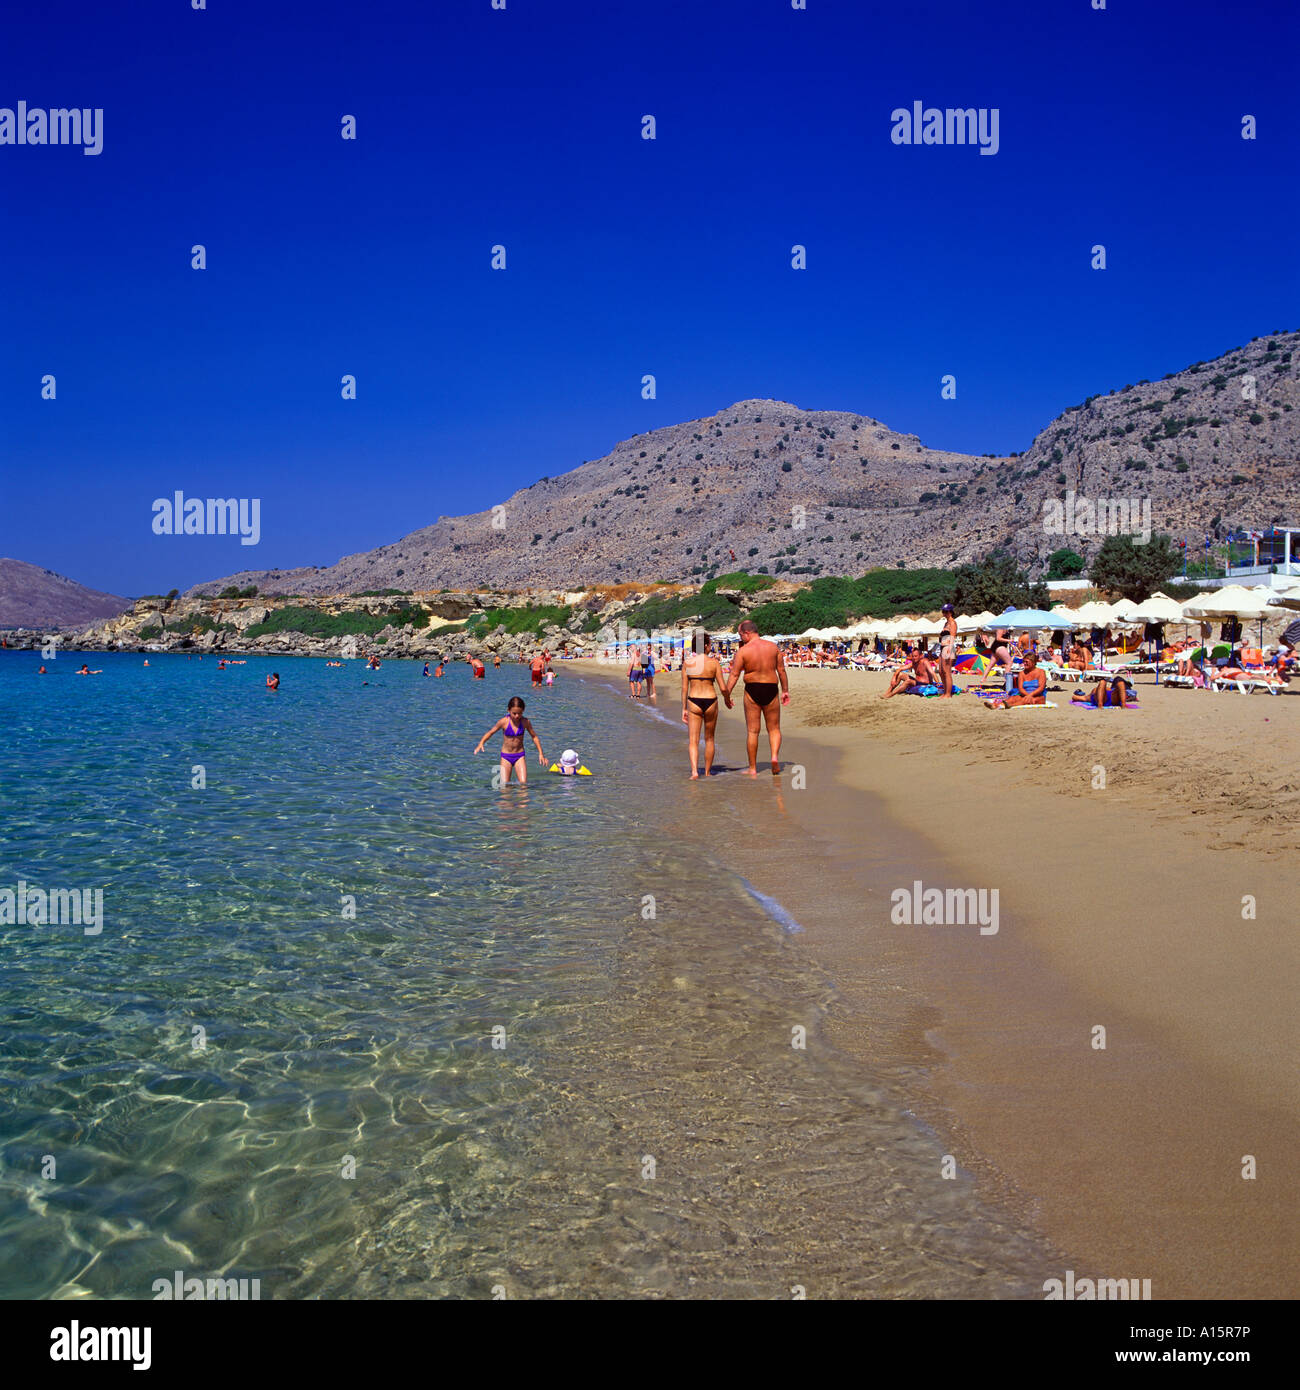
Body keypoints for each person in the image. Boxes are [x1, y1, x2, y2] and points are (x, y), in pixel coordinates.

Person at [721, 619, 788, 775]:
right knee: (774, 729)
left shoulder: (743, 651)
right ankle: (774, 757)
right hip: (771, 688)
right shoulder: (773, 647)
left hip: (752, 689)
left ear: (747, 633)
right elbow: (781, 671)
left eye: (740, 635)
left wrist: (726, 694)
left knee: (752, 731)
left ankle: (752, 769)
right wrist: (785, 690)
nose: (740, 638)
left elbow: (734, 675)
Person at [681, 630, 732, 779]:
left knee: (693, 740)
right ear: (705, 645)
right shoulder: (714, 663)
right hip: (710, 700)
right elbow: (723, 687)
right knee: (710, 739)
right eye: (710, 644)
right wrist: (727, 699)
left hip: (694, 700)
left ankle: (695, 772)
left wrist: (683, 708)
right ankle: (708, 772)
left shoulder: (687, 663)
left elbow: (684, 688)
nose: (711, 647)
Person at [474, 696, 545, 784]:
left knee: (523, 785)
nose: (517, 716)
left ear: (523, 711)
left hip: (519, 756)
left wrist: (541, 753)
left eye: (520, 713)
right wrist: (481, 743)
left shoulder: (525, 722)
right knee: (505, 788)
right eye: (514, 713)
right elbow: (490, 732)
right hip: (506, 757)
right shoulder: (503, 722)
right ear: (508, 710)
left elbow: (534, 737)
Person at [938, 603, 958, 698]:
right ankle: (945, 691)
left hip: (948, 647)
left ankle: (948, 694)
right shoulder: (946, 623)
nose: (944, 613)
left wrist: (949, 649)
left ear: (951, 612)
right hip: (942, 647)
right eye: (943, 612)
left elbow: (952, 637)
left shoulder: (953, 623)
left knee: (947, 671)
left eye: (946, 612)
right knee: (941, 671)